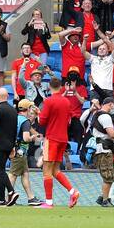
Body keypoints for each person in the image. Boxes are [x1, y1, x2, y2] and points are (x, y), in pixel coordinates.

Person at [36, 77, 81, 208]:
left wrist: (39, 114)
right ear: (61, 86)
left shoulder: (49, 101)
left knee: (47, 170)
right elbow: (69, 120)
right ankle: (73, 191)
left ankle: (49, 202)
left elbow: (42, 121)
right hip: (63, 138)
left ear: (49, 86)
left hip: (52, 138)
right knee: (55, 169)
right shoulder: (66, 102)